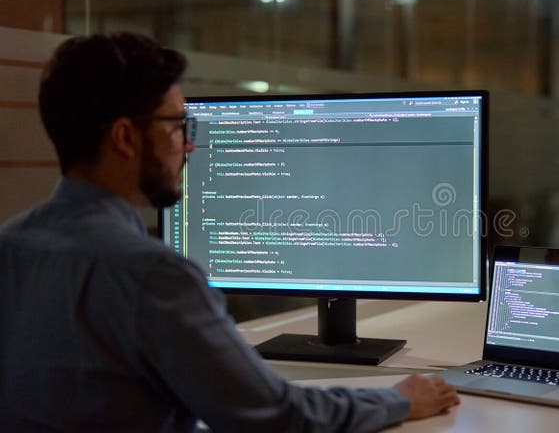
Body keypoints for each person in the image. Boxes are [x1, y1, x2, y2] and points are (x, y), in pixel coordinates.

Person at [0, 32, 459, 432]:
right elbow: (276, 417)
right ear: (125, 137)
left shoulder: (11, 244)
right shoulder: (153, 274)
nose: (190, 144)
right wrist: (400, 400)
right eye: (178, 125)